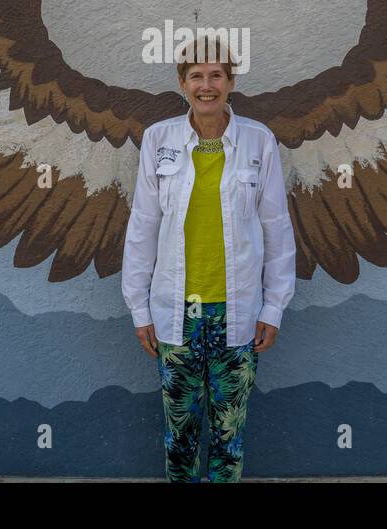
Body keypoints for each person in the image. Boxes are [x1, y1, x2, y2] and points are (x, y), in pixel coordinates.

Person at [121, 35, 296, 482]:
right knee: (179, 436)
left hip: (236, 313)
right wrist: (139, 307)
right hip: (175, 311)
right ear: (182, 84)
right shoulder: (157, 140)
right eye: (196, 76)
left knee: (228, 437)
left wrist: (274, 306)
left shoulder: (259, 142)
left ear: (230, 81)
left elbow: (277, 228)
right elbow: (142, 226)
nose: (206, 85)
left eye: (215, 75)